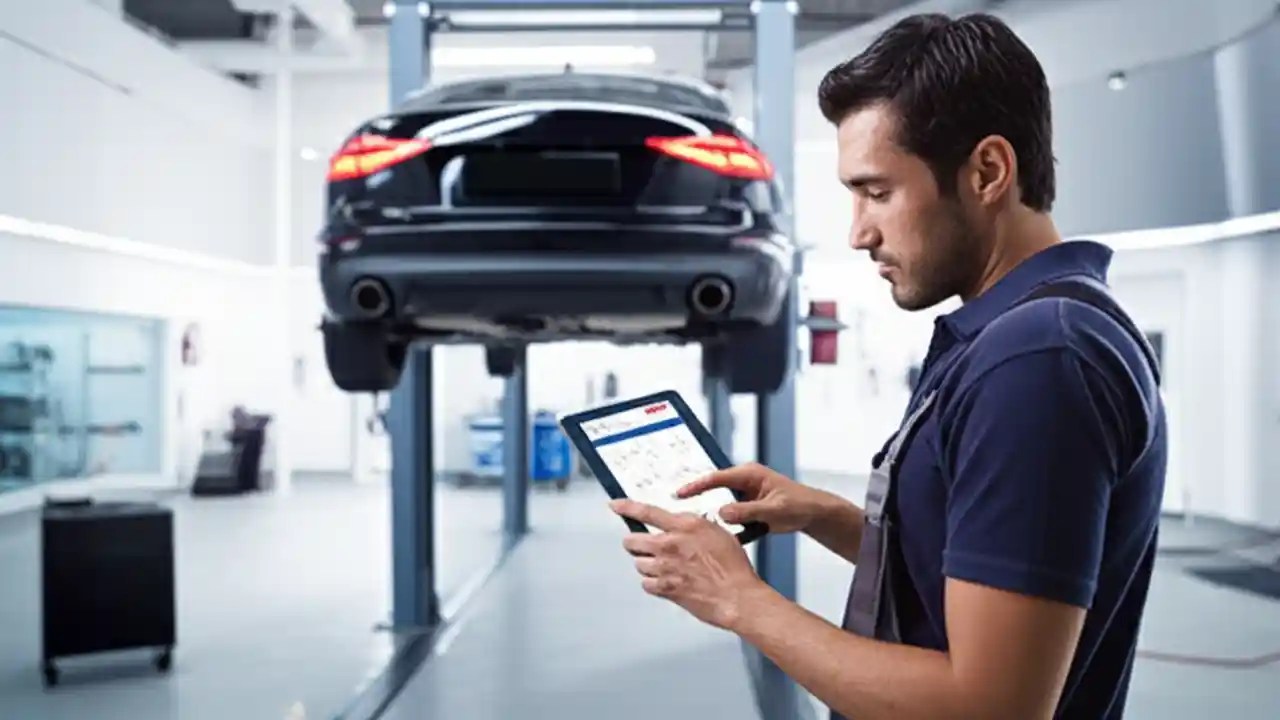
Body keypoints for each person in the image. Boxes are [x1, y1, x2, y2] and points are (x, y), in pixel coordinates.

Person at [610, 12, 1166, 720]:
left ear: (988, 172)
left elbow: (990, 706)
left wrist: (739, 600)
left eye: (878, 192)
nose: (858, 231)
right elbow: (978, 562)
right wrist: (827, 516)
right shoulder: (1025, 332)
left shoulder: (1037, 358)